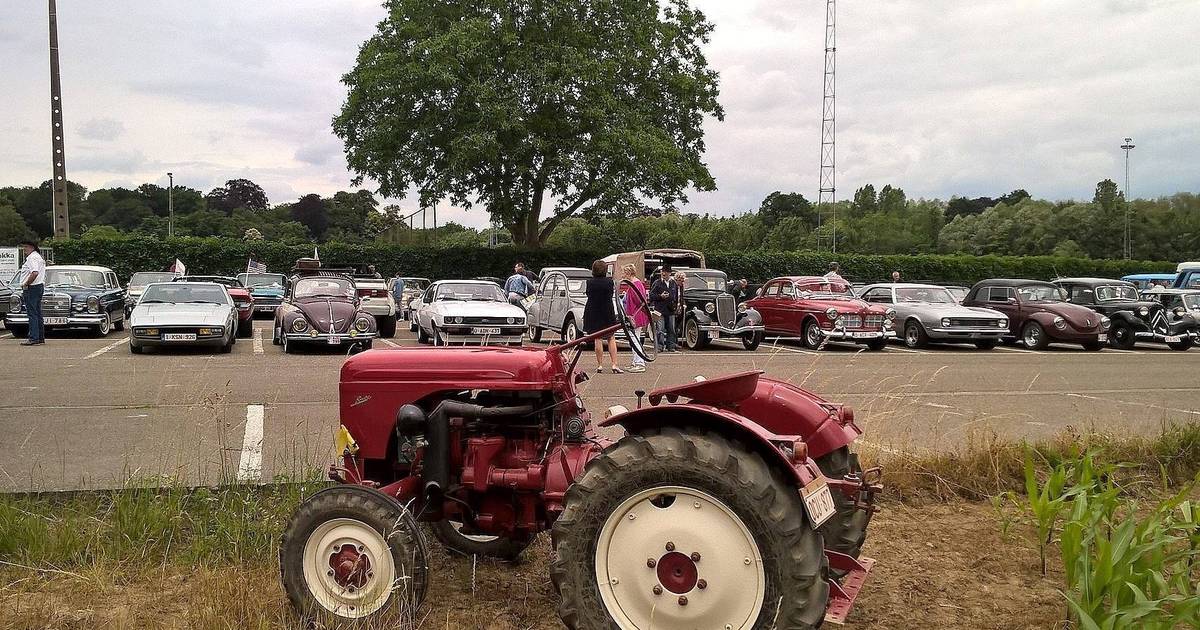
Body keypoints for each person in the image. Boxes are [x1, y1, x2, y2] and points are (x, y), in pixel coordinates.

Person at [583, 260, 621, 373]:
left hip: (593, 310)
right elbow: (611, 294)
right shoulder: (610, 282)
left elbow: (588, 294)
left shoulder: (590, 282)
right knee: (611, 337)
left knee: (597, 338)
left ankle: (600, 365)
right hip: (607, 310)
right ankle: (614, 364)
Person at [619, 264, 650, 373]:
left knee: (634, 339)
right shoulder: (635, 284)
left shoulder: (635, 284)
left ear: (628, 273)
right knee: (634, 339)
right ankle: (635, 361)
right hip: (634, 315)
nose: (622, 275)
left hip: (635, 316)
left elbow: (639, 301)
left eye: (623, 272)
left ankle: (639, 362)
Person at [18, 239, 46, 346]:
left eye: (26, 247)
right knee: (37, 312)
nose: (24, 249)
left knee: (32, 313)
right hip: (39, 286)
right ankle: (40, 337)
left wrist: (26, 283)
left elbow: (34, 273)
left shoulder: (32, 258)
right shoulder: (39, 257)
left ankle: (33, 337)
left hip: (32, 287)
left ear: (32, 247)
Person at [650, 266, 679, 353]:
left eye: (666, 272)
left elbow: (676, 296)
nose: (663, 273)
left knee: (671, 329)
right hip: (660, 310)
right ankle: (660, 346)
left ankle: (671, 346)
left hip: (671, 309)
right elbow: (651, 296)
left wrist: (677, 306)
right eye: (662, 272)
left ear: (670, 273)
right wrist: (660, 296)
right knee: (660, 329)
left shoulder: (673, 283)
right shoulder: (657, 283)